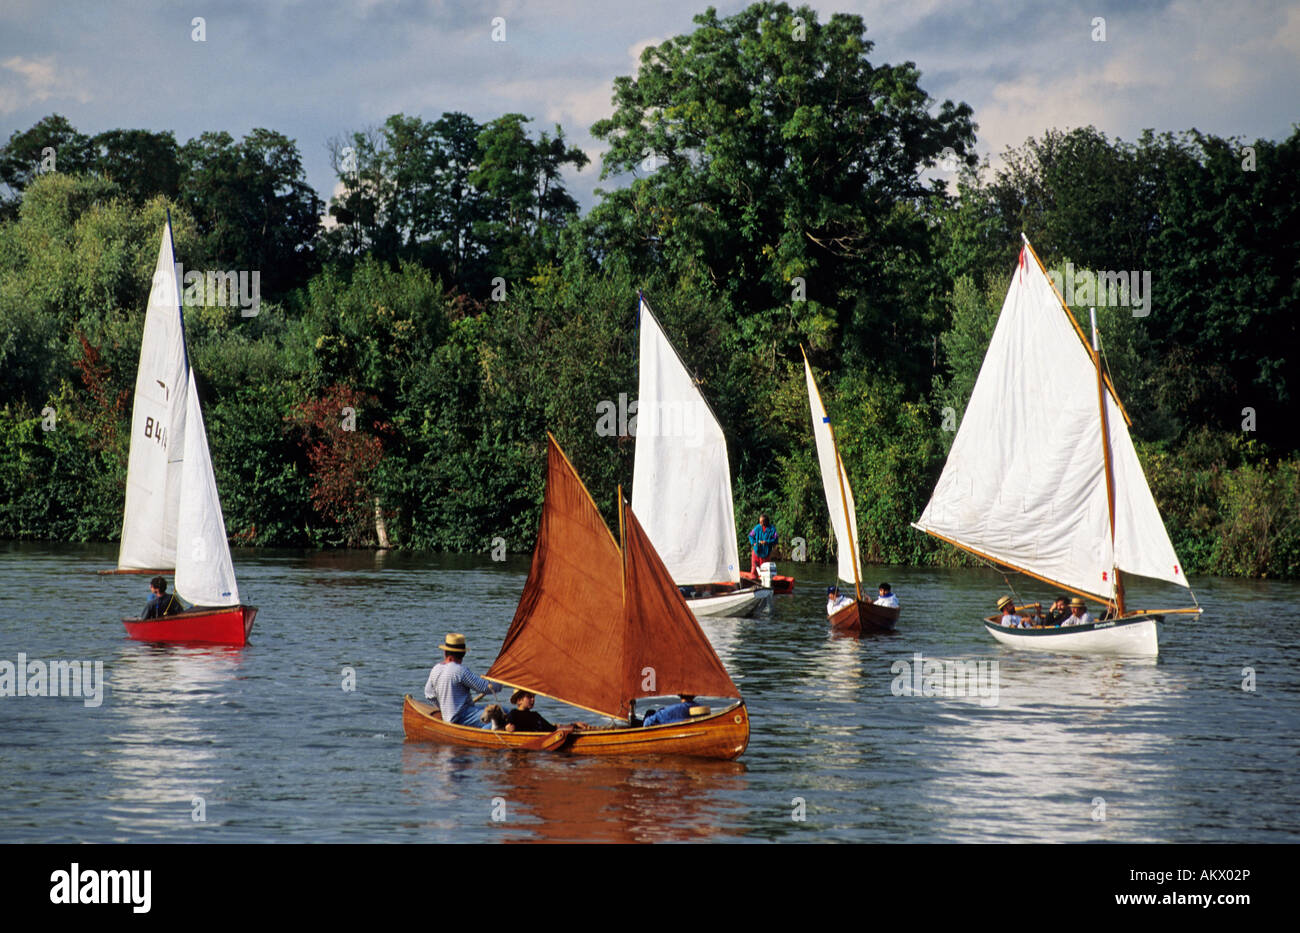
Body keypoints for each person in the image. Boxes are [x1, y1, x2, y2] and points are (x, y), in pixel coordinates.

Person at [423, 633, 502, 728]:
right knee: (499, 718)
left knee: (502, 710)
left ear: (445, 652)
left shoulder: (435, 669)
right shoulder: (460, 670)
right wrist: (501, 681)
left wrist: (444, 708)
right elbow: (484, 687)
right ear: (463, 654)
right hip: (461, 717)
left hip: (453, 716)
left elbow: (429, 694)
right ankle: (484, 736)